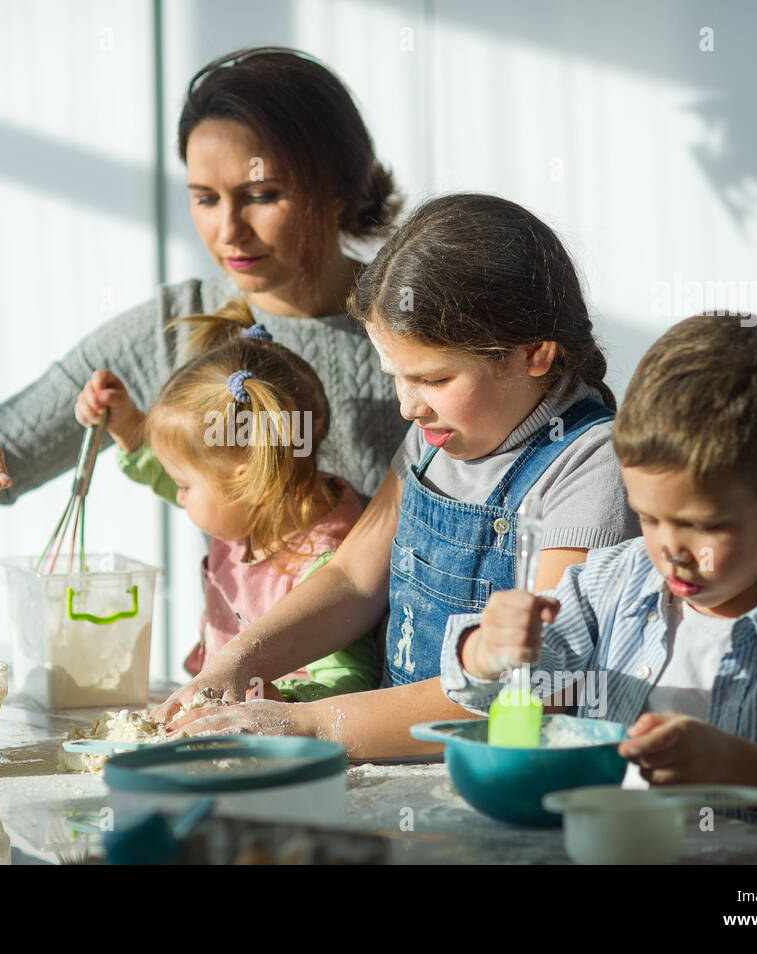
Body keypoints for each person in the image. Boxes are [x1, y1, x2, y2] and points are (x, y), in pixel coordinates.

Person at [157, 193, 638, 756]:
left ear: (535, 352)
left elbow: (538, 687)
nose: (409, 406)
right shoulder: (434, 440)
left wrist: (313, 726)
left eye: (433, 379)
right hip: (392, 762)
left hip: (498, 786)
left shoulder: (590, 464)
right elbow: (353, 580)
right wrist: (237, 660)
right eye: (396, 376)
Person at [443, 313, 757, 852]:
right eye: (648, 516)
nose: (670, 551)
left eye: (702, 525)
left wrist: (755, 774)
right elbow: (499, 687)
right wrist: (485, 650)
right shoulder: (613, 584)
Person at [0, 47, 407, 539]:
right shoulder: (180, 324)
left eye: (260, 195)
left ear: (338, 189)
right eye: (205, 199)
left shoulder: (414, 325)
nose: (229, 230)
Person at [87, 300, 378, 700]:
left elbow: (352, 680)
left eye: (184, 486)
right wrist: (128, 429)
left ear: (247, 482)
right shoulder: (254, 508)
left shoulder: (324, 563)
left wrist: (284, 699)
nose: (177, 494)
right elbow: (170, 470)